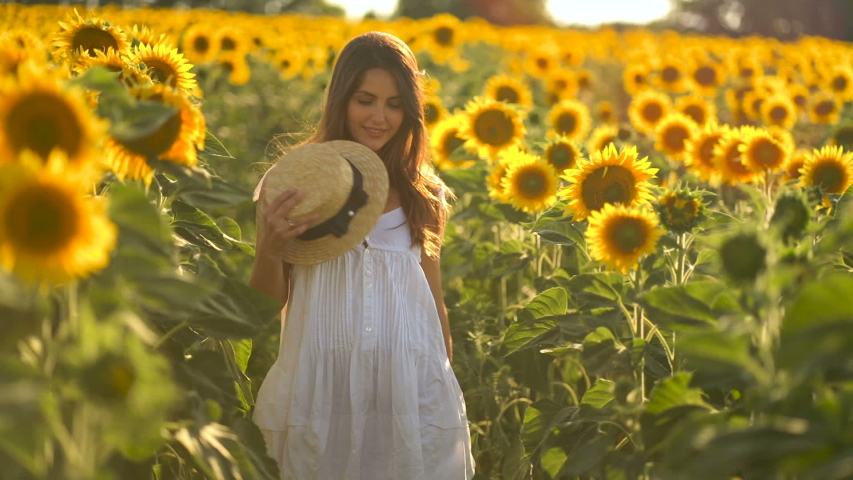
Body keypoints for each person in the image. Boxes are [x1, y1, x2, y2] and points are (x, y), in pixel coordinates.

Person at [248, 31, 476, 480]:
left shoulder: (422, 193)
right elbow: (264, 307)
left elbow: (433, 302)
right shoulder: (295, 184)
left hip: (405, 395)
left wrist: (439, 387)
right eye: (365, 100)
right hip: (321, 392)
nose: (379, 117)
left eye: (394, 104)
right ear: (341, 100)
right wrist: (270, 252)